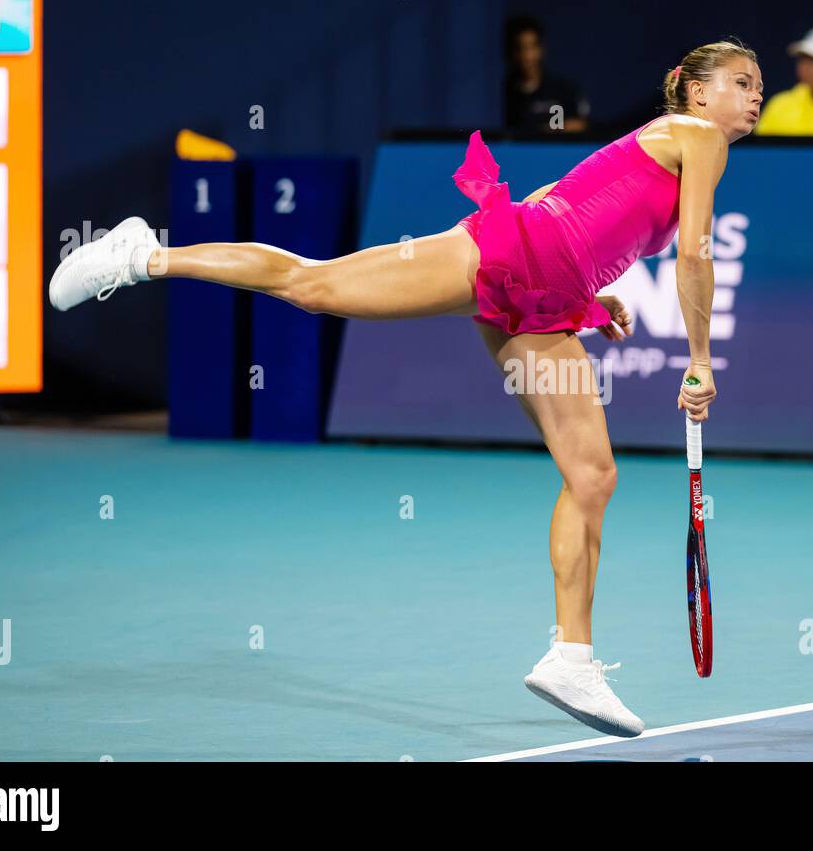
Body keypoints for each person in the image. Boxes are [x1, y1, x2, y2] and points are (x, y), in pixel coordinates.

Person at [48, 38, 762, 738]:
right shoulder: (701, 137)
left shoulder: (666, 137)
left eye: (758, 84)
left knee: (592, 475)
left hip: (543, 289)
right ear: (698, 92)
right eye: (742, 81)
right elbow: (695, 251)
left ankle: (571, 657)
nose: (754, 94)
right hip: (513, 259)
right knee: (314, 283)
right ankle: (141, 255)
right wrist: (699, 359)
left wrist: (590, 293)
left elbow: (563, 195)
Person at [503, 15, 590, 133]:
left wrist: (546, 131)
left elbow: (580, 124)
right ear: (511, 52)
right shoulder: (503, 92)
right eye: (520, 48)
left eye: (532, 47)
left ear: (541, 49)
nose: (527, 56)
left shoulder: (563, 90)